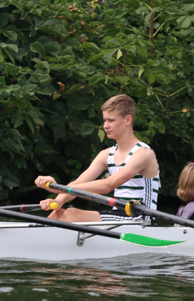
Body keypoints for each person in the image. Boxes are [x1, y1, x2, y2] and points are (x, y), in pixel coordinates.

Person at [35, 94, 159, 222]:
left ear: (127, 120)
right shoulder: (106, 154)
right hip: (119, 214)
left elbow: (108, 185)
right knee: (58, 214)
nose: (105, 125)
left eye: (111, 120)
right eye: (104, 120)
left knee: (71, 214)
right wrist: (58, 201)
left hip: (141, 217)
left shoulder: (144, 154)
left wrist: (58, 188)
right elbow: (78, 183)